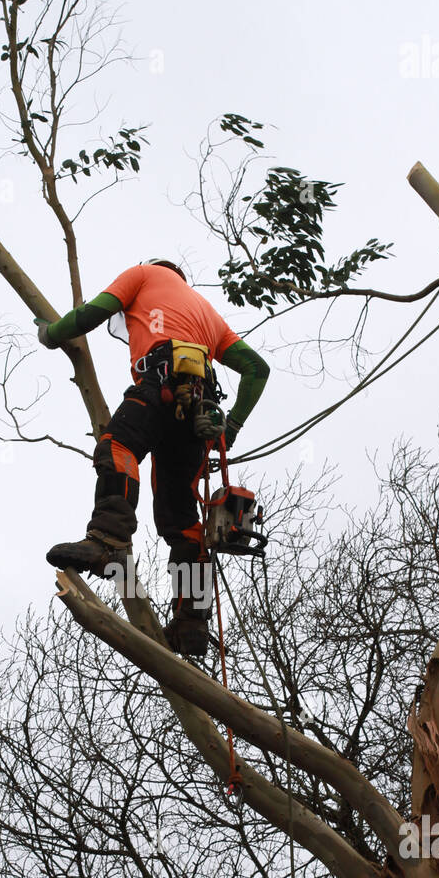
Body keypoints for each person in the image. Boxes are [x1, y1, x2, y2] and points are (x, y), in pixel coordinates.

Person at [39, 259, 269, 655]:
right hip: (199, 408)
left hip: (162, 380)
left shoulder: (144, 274)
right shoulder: (206, 311)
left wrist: (52, 333)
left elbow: (92, 312)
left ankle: (109, 539)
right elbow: (256, 368)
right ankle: (192, 621)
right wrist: (229, 430)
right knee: (182, 521)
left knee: (118, 447)